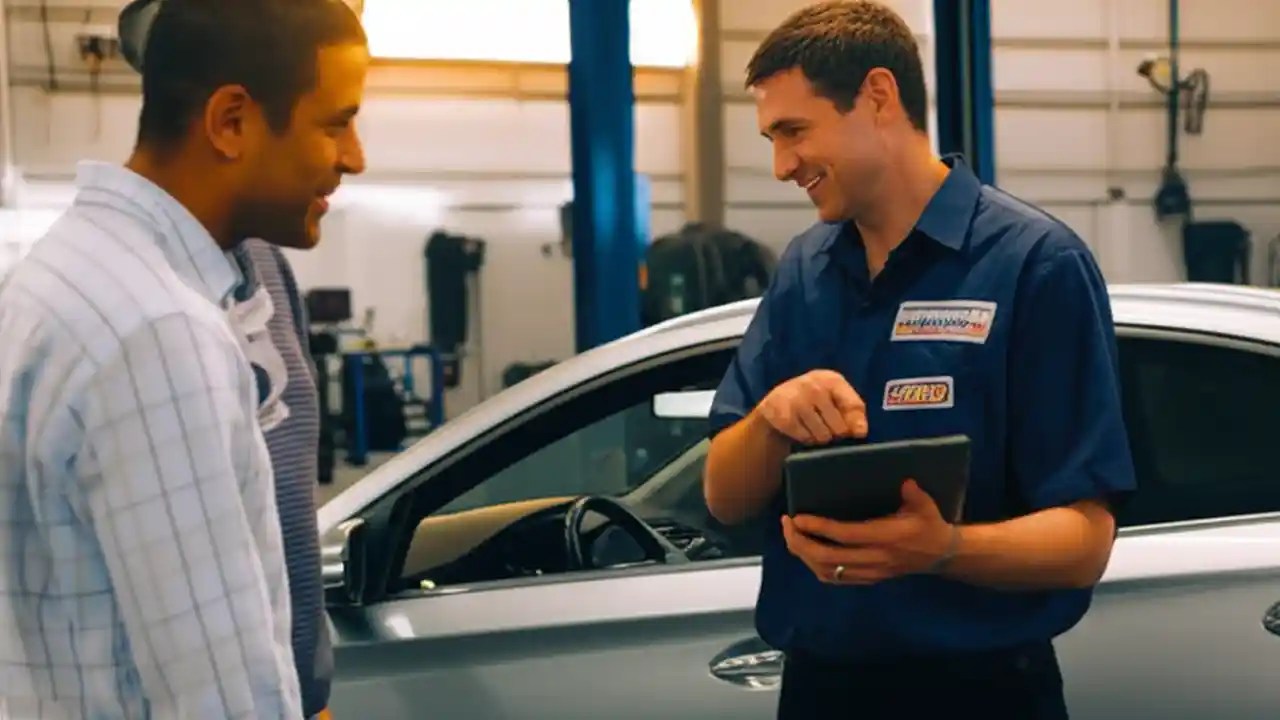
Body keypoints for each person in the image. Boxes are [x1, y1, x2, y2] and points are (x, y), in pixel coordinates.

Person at [702, 2, 1137, 718]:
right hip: (820, 691)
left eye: (795, 131)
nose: (781, 167)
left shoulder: (1034, 264)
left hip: (981, 694)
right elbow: (723, 495)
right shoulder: (805, 270)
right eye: (771, 139)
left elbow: (1084, 541)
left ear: (878, 96)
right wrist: (772, 420)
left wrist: (942, 549)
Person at [0, 0, 368, 716]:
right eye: (335, 123)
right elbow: (222, 697)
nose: (355, 157)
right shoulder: (160, 333)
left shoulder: (62, 276)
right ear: (231, 121)